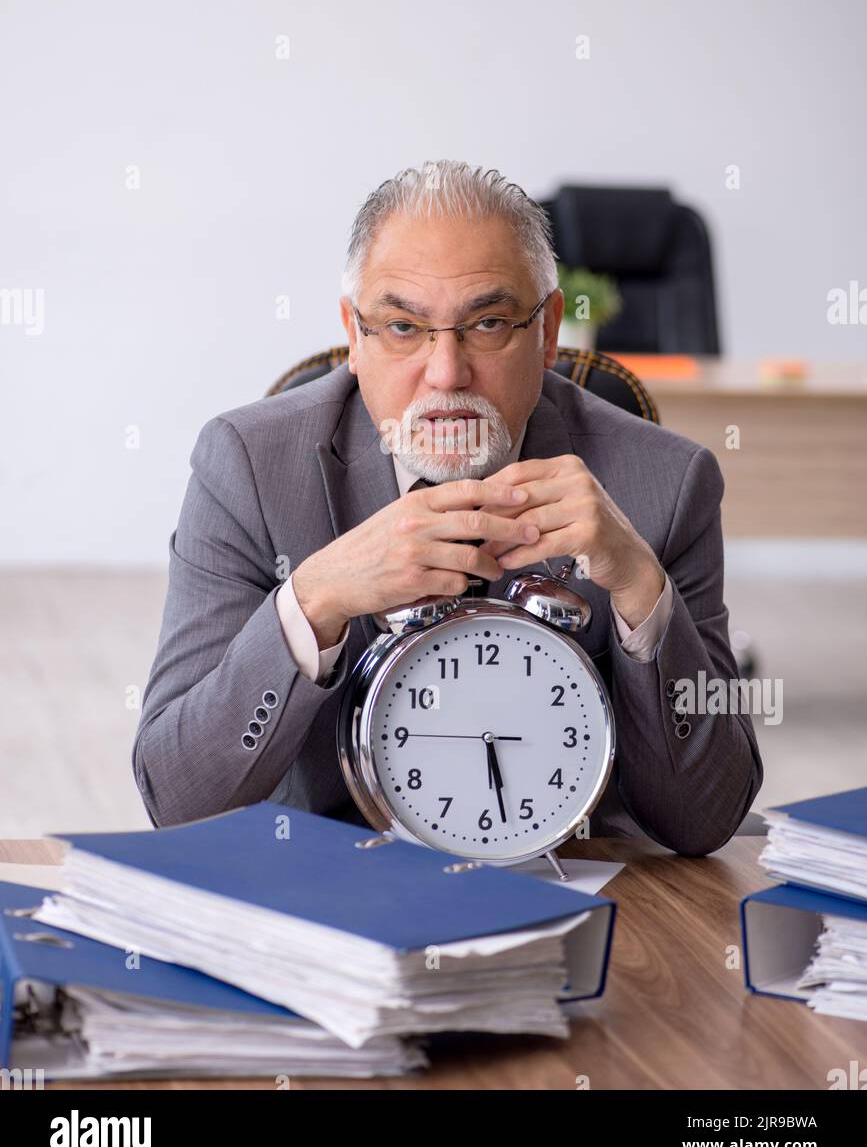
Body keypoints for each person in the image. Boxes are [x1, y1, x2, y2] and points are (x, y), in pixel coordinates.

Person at [133, 160, 762, 855]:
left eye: (487, 323)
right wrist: (311, 600)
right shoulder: (245, 466)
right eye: (402, 327)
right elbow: (178, 800)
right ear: (354, 334)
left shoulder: (667, 482)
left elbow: (706, 819)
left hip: (569, 880)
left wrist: (644, 592)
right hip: (326, 885)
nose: (445, 374)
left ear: (548, 331)